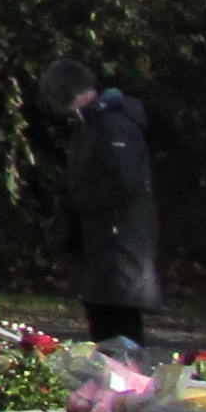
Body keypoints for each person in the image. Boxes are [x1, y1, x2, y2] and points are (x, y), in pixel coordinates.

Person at [47, 54, 163, 349]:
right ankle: (114, 386)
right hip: (104, 244)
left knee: (117, 325)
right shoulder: (92, 125)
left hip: (117, 242)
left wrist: (79, 203)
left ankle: (123, 388)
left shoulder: (111, 126)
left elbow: (125, 181)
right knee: (105, 321)